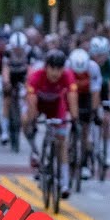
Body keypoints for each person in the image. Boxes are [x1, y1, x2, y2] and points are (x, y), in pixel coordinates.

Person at [22, 50, 78, 197]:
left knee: (62, 141)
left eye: (59, 69)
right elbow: (31, 100)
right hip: (39, 104)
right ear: (46, 67)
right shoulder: (36, 76)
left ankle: (64, 182)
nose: (55, 73)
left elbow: (72, 96)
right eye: (52, 68)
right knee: (25, 120)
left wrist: (74, 118)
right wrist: (32, 120)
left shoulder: (67, 75)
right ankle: (35, 151)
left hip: (56, 106)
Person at [67, 48, 102, 180]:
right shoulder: (66, 67)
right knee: (65, 125)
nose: (79, 74)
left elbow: (95, 92)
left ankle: (84, 163)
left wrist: (94, 112)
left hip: (86, 95)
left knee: (85, 131)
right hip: (70, 93)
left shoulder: (93, 68)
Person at [88, 36, 110, 168]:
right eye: (98, 55)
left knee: (106, 119)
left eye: (104, 55)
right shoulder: (87, 62)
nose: (101, 58)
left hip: (104, 89)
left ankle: (104, 151)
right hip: (89, 89)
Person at [2, 30, 39, 145]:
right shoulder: (7, 51)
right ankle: (5, 130)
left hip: (23, 75)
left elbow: (31, 70)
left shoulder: (29, 51)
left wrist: (28, 85)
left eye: (20, 49)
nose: (18, 51)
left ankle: (24, 117)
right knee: (7, 99)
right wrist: (6, 82)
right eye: (16, 49)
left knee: (28, 95)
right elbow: (5, 68)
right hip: (12, 74)